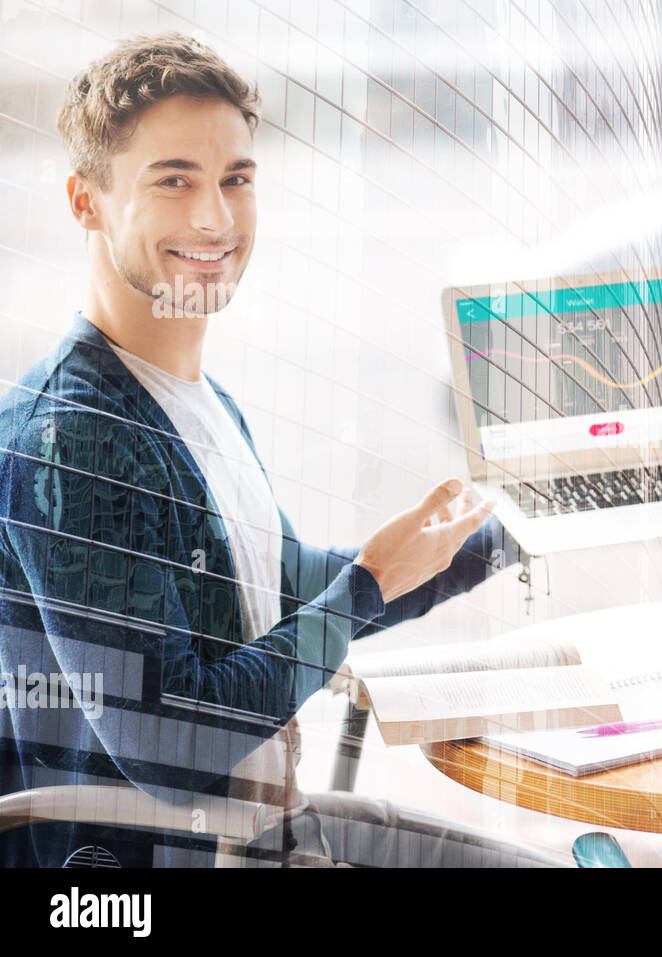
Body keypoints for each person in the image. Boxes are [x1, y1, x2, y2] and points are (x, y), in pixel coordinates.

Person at [0, 31, 561, 867]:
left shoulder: (193, 398)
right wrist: (366, 587)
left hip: (266, 825)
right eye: (174, 181)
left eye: (236, 179)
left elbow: (277, 583)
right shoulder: (72, 438)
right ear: (87, 201)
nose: (215, 218)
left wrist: (492, 538)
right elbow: (169, 748)